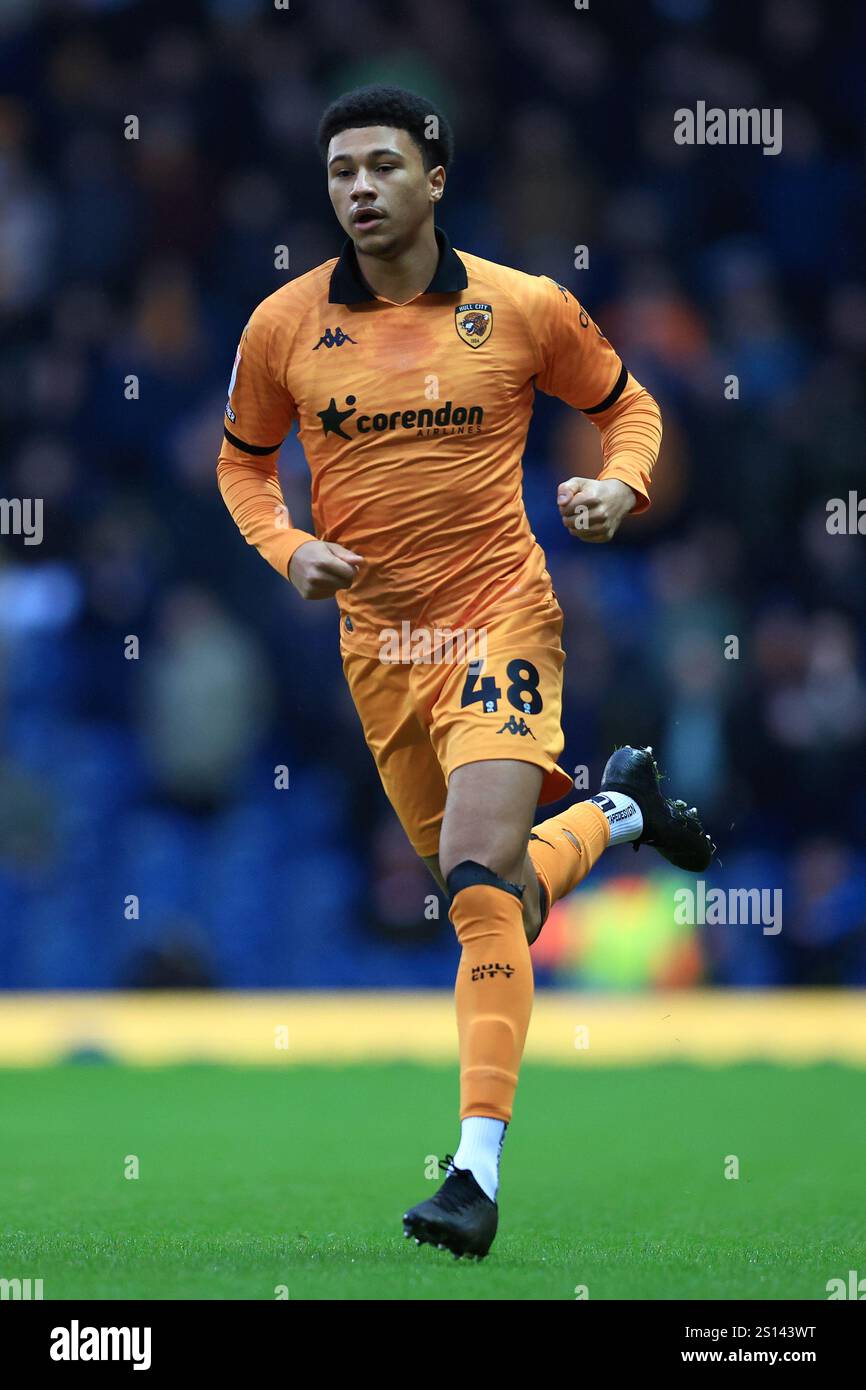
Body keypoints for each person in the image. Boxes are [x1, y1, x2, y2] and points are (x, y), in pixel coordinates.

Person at [216, 84, 715, 1259]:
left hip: (497, 617)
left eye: (382, 166)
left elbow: (626, 405)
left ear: (433, 181)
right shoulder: (279, 328)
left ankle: (472, 1174)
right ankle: (619, 810)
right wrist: (287, 546)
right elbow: (241, 467)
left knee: (476, 876)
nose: (358, 189)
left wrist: (618, 484)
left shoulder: (523, 307)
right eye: (340, 171)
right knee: (487, 903)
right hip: (379, 649)